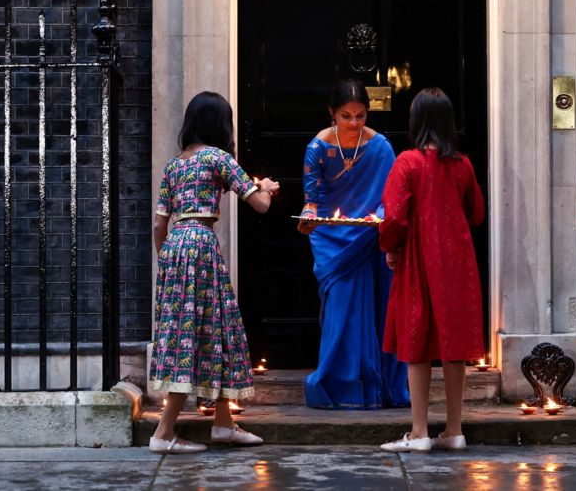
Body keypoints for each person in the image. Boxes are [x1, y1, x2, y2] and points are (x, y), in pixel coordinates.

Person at [149, 91, 280, 454]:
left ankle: (223, 423)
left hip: (176, 245)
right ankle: (163, 433)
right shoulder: (219, 158)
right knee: (193, 336)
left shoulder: (174, 165)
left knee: (211, 330)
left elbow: (159, 225)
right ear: (221, 124)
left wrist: (169, 261)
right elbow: (261, 204)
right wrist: (266, 186)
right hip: (202, 245)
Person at [378, 88, 486, 453]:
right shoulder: (464, 165)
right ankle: (454, 430)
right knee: (454, 345)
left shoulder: (406, 163)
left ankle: (420, 431)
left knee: (416, 341)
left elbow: (392, 216)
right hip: (458, 262)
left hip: (418, 259)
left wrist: (390, 248)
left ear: (416, 121)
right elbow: (477, 214)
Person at [297, 78, 410, 409]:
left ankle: (375, 386)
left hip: (368, 236)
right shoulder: (317, 148)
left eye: (360, 115)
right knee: (340, 308)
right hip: (331, 239)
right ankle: (342, 385)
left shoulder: (381, 148)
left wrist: (378, 217)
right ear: (332, 113)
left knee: (375, 306)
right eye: (346, 115)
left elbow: (391, 197)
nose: (354, 122)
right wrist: (308, 217)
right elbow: (312, 199)